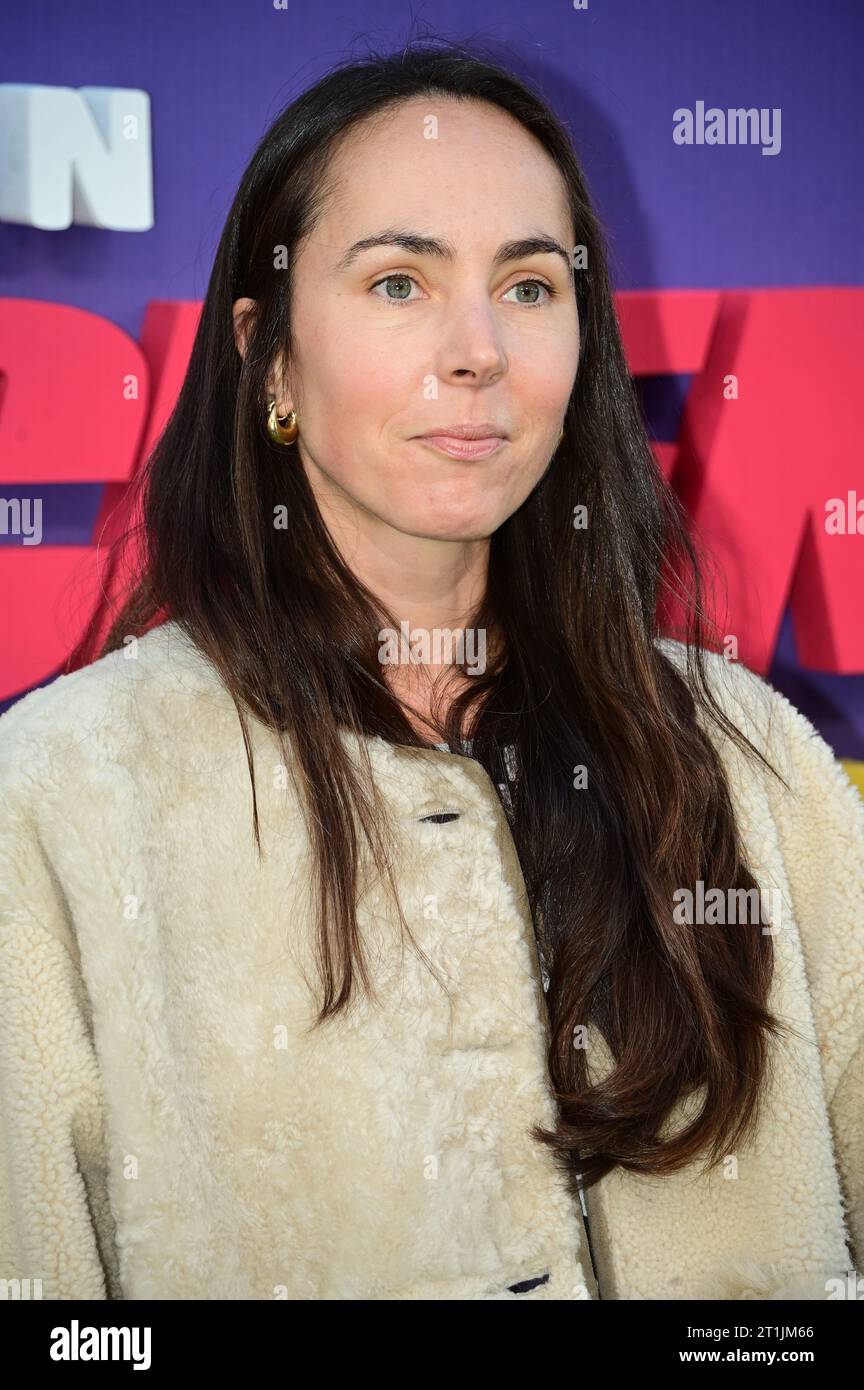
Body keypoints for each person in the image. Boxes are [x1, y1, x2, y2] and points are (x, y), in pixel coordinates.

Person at [1, 40, 862, 1302]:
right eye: (399, 283)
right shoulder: (56, 797)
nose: (479, 353)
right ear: (270, 358)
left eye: (528, 287)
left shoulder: (749, 753)